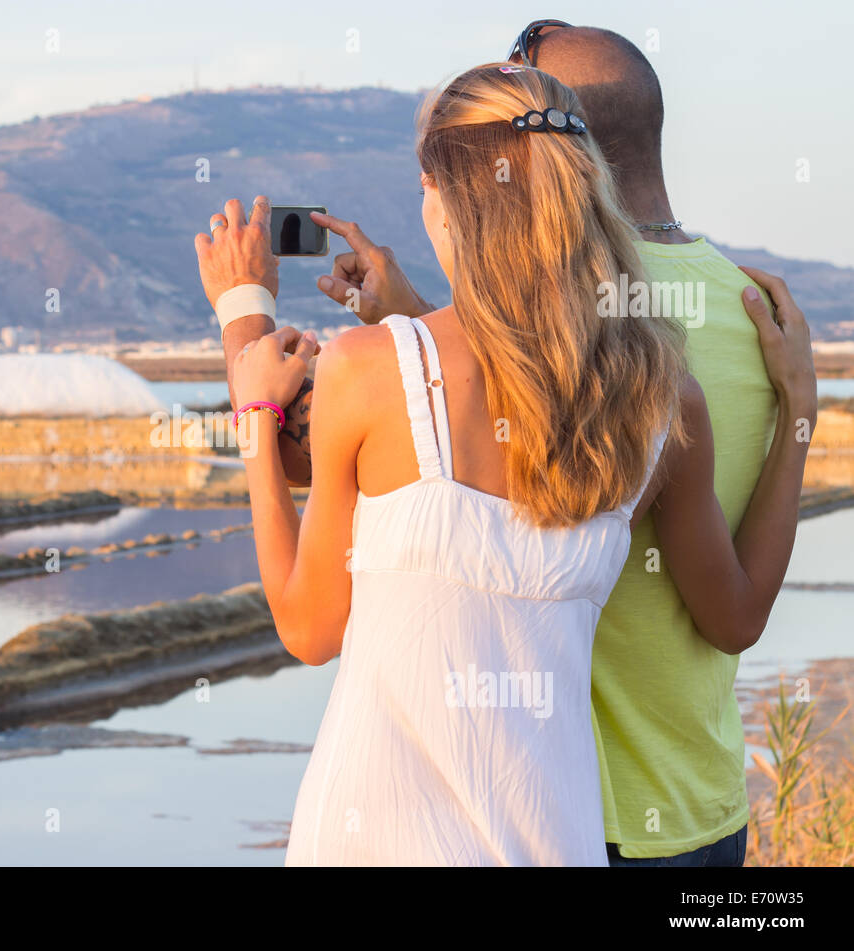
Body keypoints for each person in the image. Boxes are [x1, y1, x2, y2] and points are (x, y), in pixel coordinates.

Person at [192, 63, 815, 864]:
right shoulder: (662, 402)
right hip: (555, 842)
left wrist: (250, 383)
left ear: (443, 197)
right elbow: (735, 618)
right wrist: (799, 409)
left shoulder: (367, 367)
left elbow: (309, 629)